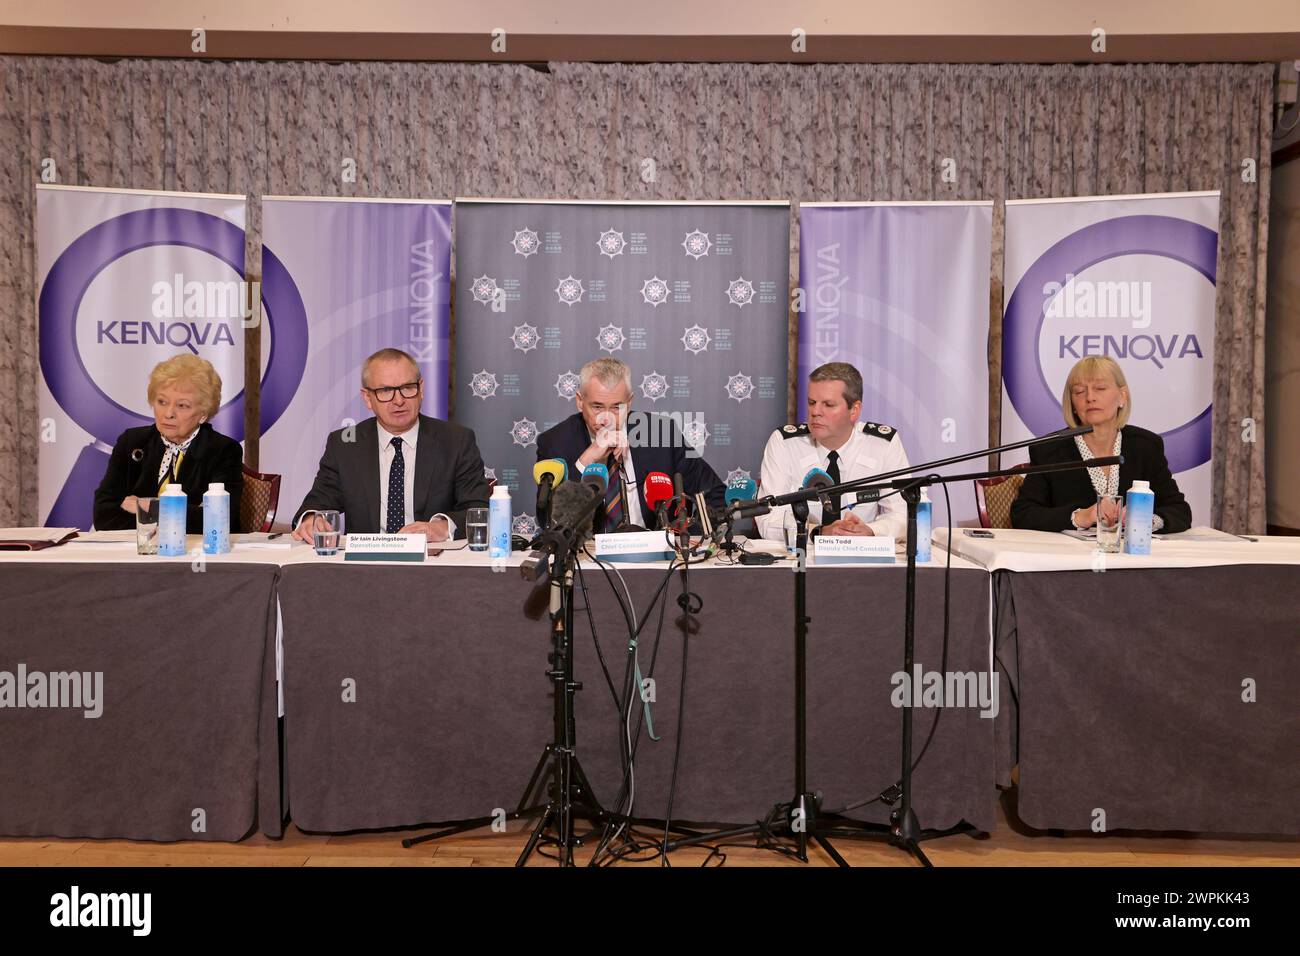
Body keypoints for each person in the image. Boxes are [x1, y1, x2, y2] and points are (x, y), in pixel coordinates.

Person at [292, 348, 490, 543]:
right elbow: (319, 500)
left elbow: (478, 510)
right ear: (367, 398)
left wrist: (441, 528)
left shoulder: (456, 440)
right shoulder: (344, 443)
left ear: (421, 389)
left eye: (407, 388)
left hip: (432, 562)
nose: (399, 400)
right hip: (364, 567)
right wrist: (311, 519)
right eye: (385, 391)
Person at [535, 357, 725, 532]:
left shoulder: (660, 433)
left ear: (630, 402)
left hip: (656, 561)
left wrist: (680, 538)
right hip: (588, 561)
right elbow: (550, 522)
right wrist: (586, 461)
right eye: (597, 406)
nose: (606, 419)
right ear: (579, 402)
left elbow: (715, 495)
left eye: (617, 407)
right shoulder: (555, 443)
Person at [1011, 355, 1192, 533]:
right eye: (1080, 391)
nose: (1090, 397)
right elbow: (1023, 513)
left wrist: (1146, 521)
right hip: (1071, 559)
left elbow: (1179, 510)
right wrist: (1079, 517)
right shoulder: (1050, 449)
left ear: (1122, 397)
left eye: (1100, 388)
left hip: (1133, 558)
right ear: (1072, 403)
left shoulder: (1146, 446)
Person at [756, 362, 909, 543]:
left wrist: (870, 531)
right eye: (812, 403)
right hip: (803, 558)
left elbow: (904, 514)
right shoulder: (785, 442)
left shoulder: (882, 444)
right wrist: (818, 532)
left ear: (854, 411)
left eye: (828, 404)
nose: (815, 412)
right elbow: (767, 518)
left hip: (863, 559)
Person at [93, 354, 243, 533]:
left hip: (197, 554)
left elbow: (216, 519)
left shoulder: (223, 450)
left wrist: (149, 508)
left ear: (203, 414)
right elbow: (104, 515)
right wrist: (178, 516)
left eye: (182, 406)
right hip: (136, 551)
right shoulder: (131, 442)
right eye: (162, 402)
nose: (168, 413)